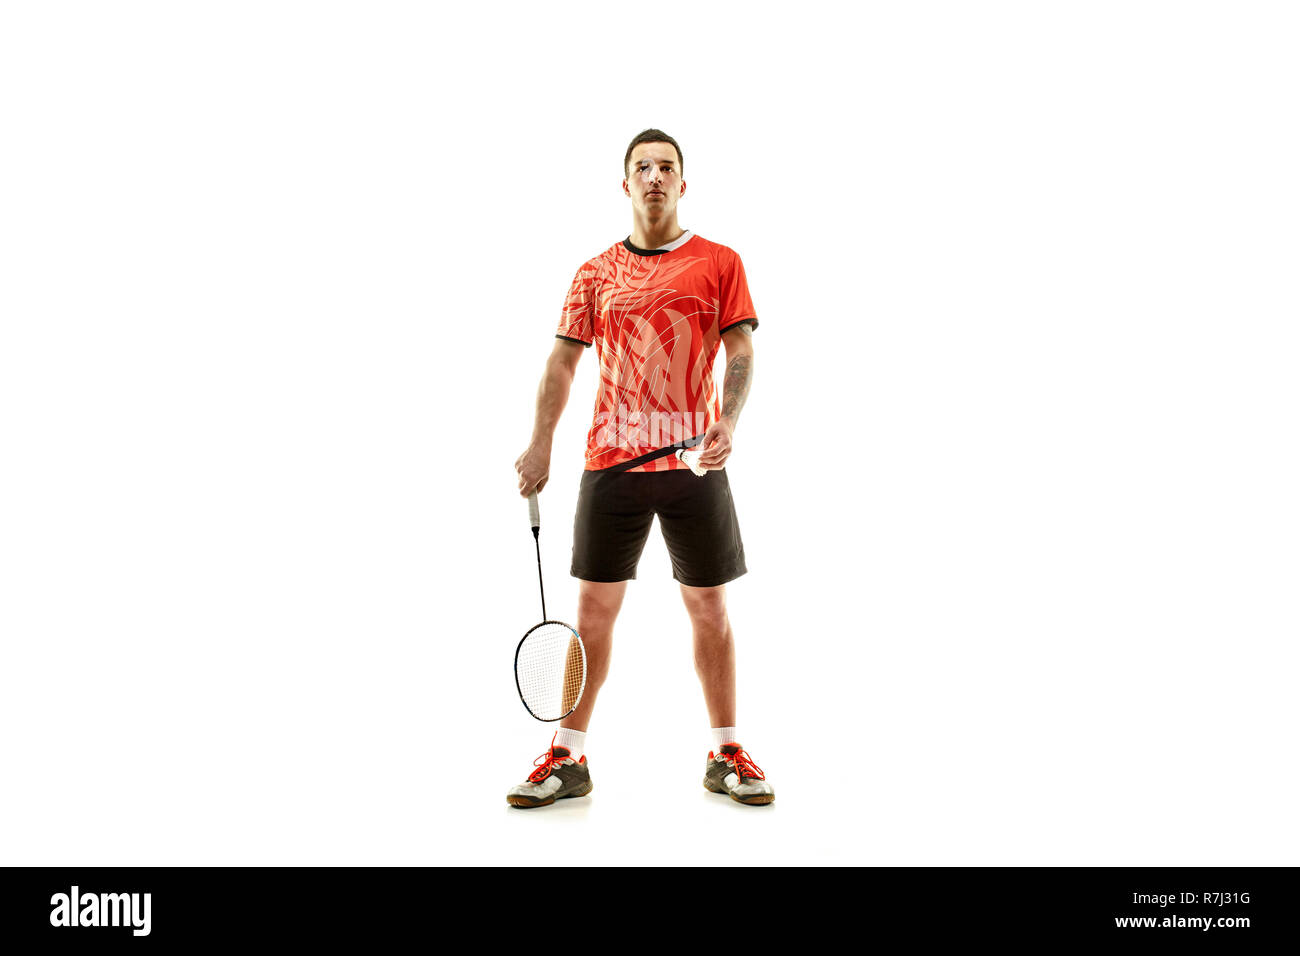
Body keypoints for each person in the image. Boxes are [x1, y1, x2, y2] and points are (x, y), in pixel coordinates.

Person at [508, 129, 774, 808]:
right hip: (610, 464)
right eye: (642, 167)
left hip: (693, 463)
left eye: (667, 167)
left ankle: (725, 749)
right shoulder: (595, 272)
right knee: (592, 614)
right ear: (625, 185)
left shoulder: (720, 262)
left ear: (683, 184)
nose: (655, 176)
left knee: (708, 608)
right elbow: (562, 365)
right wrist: (541, 444)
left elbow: (739, 348)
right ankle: (567, 758)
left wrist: (729, 420)